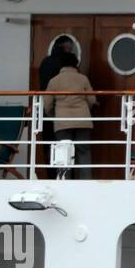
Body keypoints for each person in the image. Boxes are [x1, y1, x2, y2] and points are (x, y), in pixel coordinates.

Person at [42, 51, 98, 179]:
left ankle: (65, 181)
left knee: (63, 153)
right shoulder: (83, 79)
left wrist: (53, 116)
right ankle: (86, 181)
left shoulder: (54, 81)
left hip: (62, 121)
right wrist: (86, 110)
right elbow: (92, 100)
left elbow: (47, 104)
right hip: (83, 120)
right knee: (83, 152)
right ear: (76, 64)